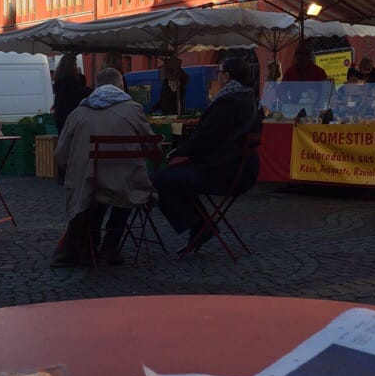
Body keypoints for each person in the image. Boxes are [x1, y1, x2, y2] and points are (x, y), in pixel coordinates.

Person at [153, 57, 260, 254]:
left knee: (160, 180)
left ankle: (199, 226)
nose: (217, 77)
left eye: (219, 72)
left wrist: (178, 151)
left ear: (226, 76)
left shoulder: (228, 102)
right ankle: (201, 226)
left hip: (222, 171)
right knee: (177, 177)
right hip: (239, 170)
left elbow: (205, 138)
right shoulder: (248, 99)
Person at [53, 67, 154, 267]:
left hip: (89, 188)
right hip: (127, 186)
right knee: (120, 186)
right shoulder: (133, 110)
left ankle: (89, 244)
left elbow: (60, 155)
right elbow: (151, 146)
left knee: (94, 187)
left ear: (96, 87)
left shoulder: (78, 112)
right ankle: (111, 245)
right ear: (121, 86)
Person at [52, 53, 92, 134]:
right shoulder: (72, 80)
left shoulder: (59, 80)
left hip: (60, 114)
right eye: (75, 64)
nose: (76, 66)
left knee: (63, 138)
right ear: (71, 65)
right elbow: (78, 94)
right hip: (72, 114)